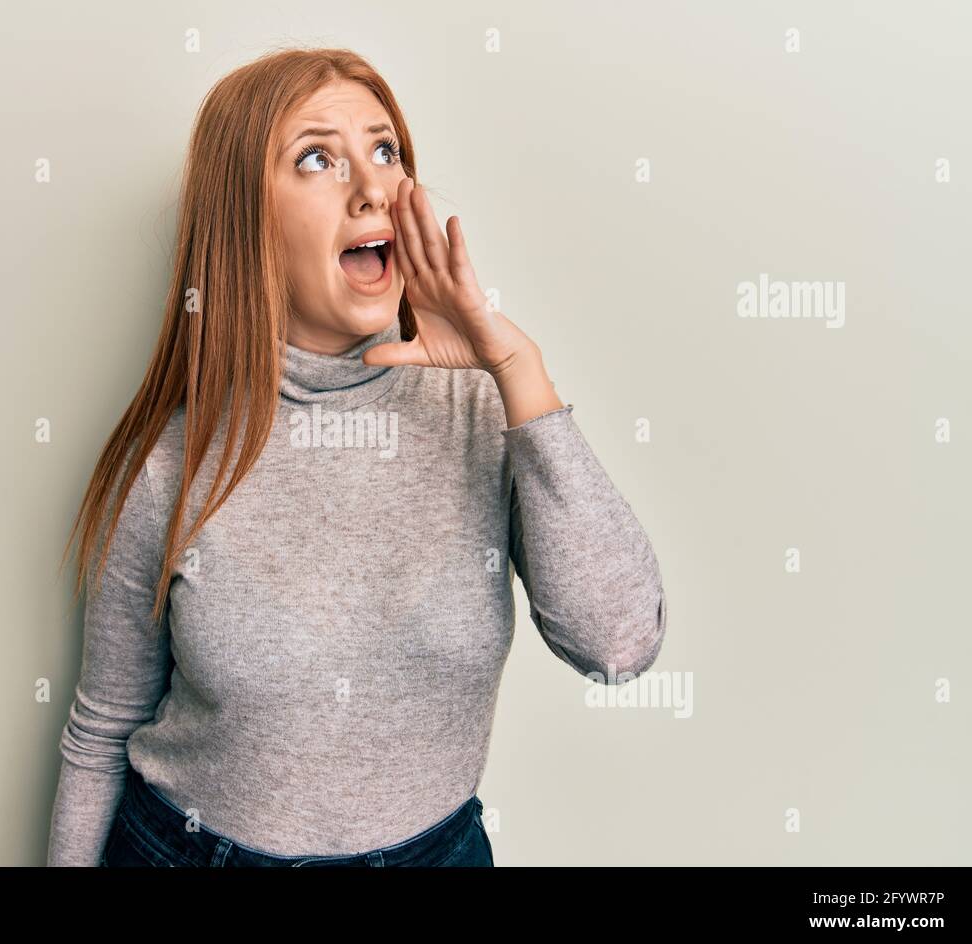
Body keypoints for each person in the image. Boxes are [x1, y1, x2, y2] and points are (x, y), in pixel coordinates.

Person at [46, 46, 668, 867]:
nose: (374, 186)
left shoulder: (486, 414)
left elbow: (620, 649)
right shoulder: (170, 464)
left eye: (386, 151)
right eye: (317, 159)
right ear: (247, 218)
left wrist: (520, 374)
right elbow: (101, 732)